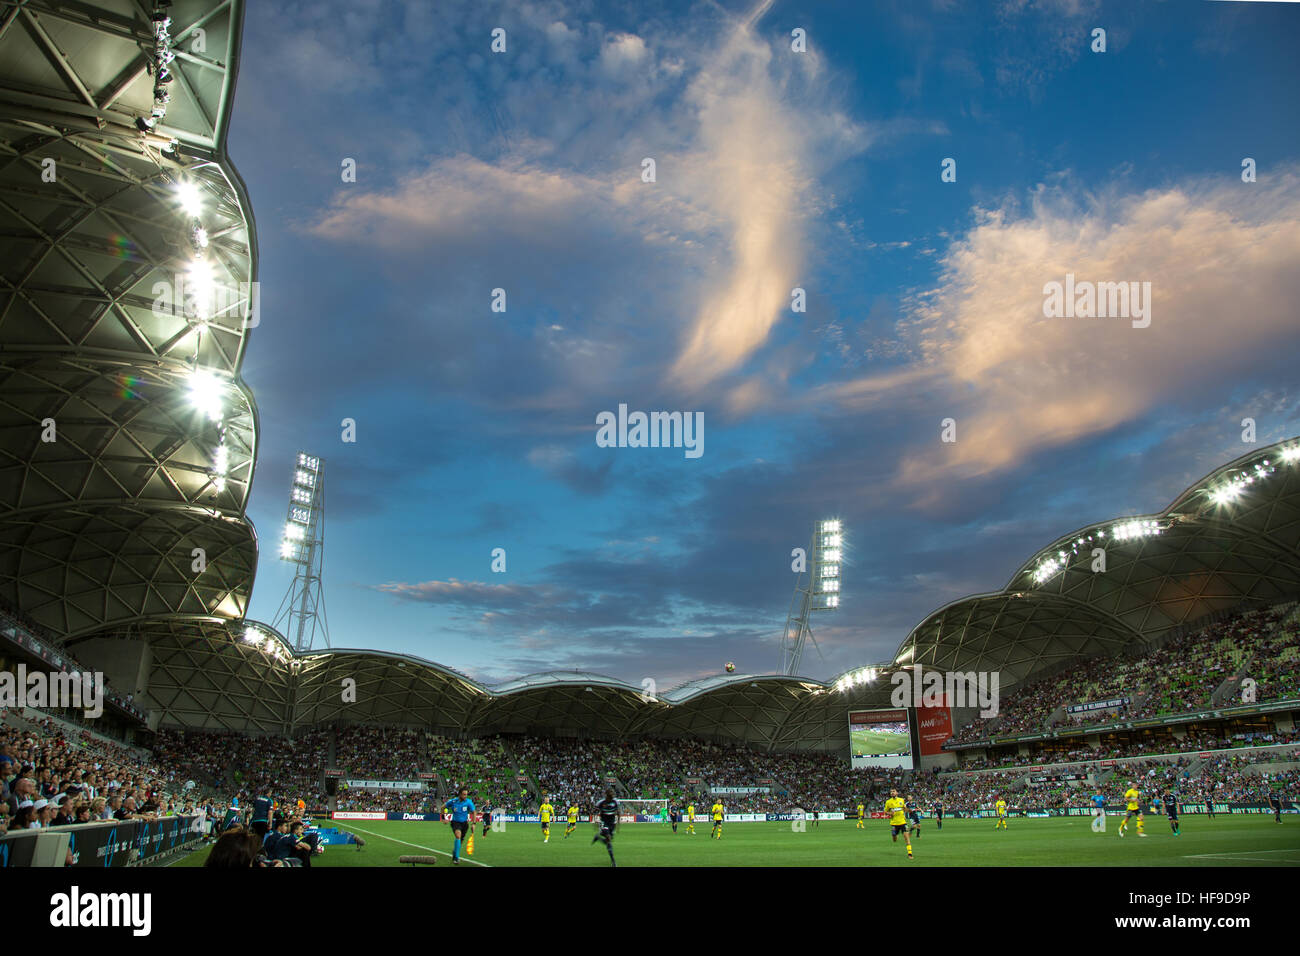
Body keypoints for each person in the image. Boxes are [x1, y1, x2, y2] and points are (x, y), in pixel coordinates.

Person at [443, 787, 475, 864]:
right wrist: (443, 818)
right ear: (460, 794)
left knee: (460, 840)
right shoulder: (453, 801)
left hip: (464, 824)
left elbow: (474, 812)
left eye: (466, 794)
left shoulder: (468, 802)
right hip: (455, 822)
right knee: (458, 836)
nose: (465, 796)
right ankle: (456, 858)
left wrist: (474, 823)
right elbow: (442, 807)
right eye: (464, 794)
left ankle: (455, 851)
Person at [884, 789, 913, 860]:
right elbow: (885, 812)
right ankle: (895, 835)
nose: (892, 792)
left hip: (902, 822)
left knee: (906, 837)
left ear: (897, 793)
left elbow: (904, 808)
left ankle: (910, 853)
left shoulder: (901, 800)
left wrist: (909, 810)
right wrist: (890, 813)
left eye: (893, 791)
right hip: (894, 823)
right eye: (891, 792)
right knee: (894, 839)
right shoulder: (888, 802)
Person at [592, 788, 618, 867]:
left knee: (607, 841)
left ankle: (598, 838)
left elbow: (618, 812)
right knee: (608, 838)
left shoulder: (615, 802)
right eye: (611, 794)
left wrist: (618, 825)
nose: (613, 795)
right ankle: (613, 861)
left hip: (612, 824)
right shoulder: (601, 803)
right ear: (607, 795)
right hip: (604, 823)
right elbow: (594, 811)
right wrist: (595, 821)